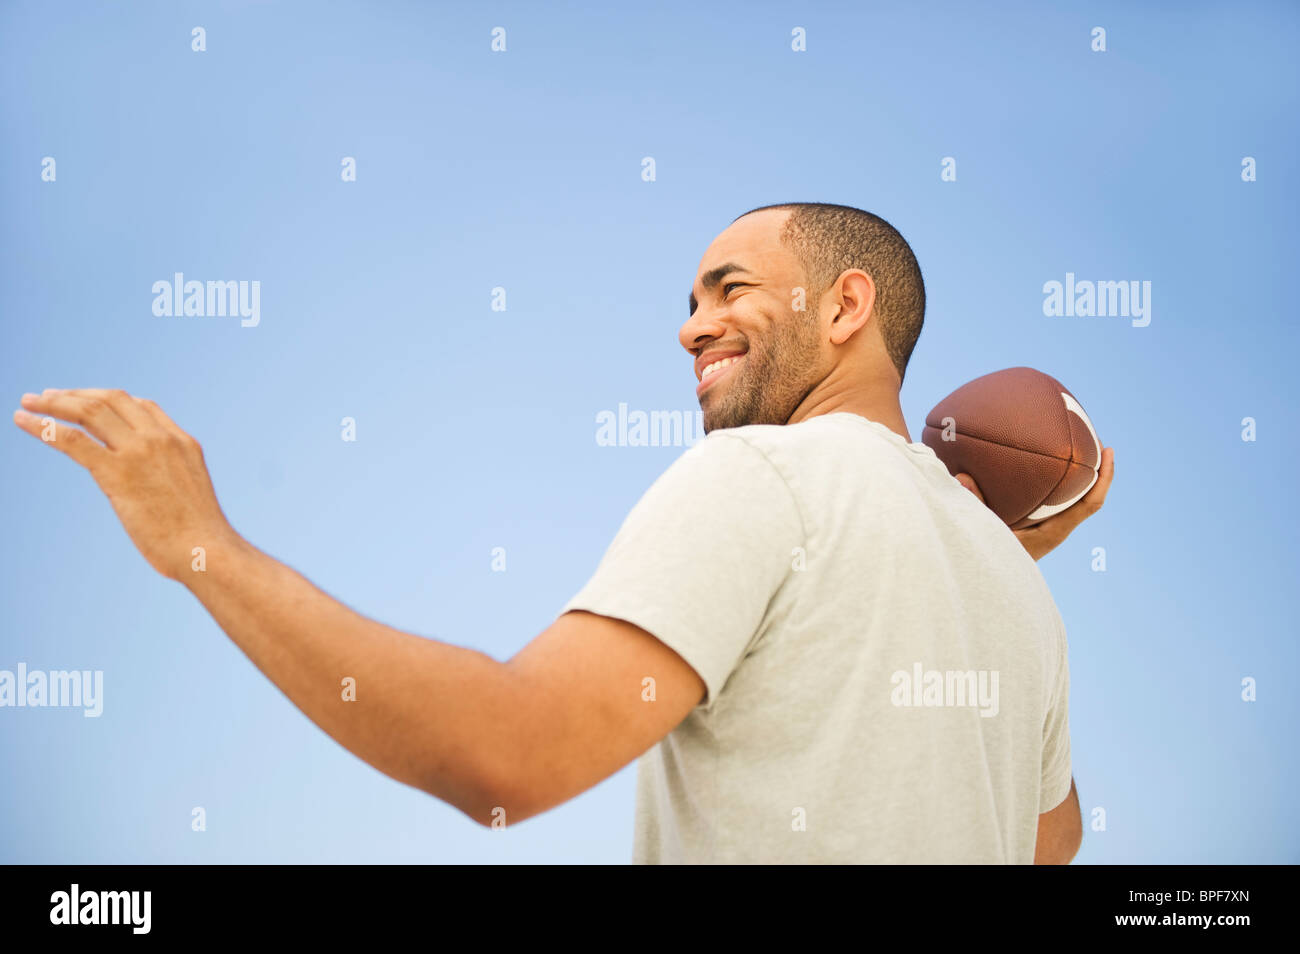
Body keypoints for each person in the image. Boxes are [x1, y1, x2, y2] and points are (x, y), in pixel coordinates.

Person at [12, 202, 1112, 864]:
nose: (689, 326)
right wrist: (972, 582)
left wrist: (204, 548)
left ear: (843, 308)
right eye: (687, 300)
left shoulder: (761, 474)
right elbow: (1042, 846)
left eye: (728, 287)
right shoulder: (1017, 589)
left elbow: (504, 758)